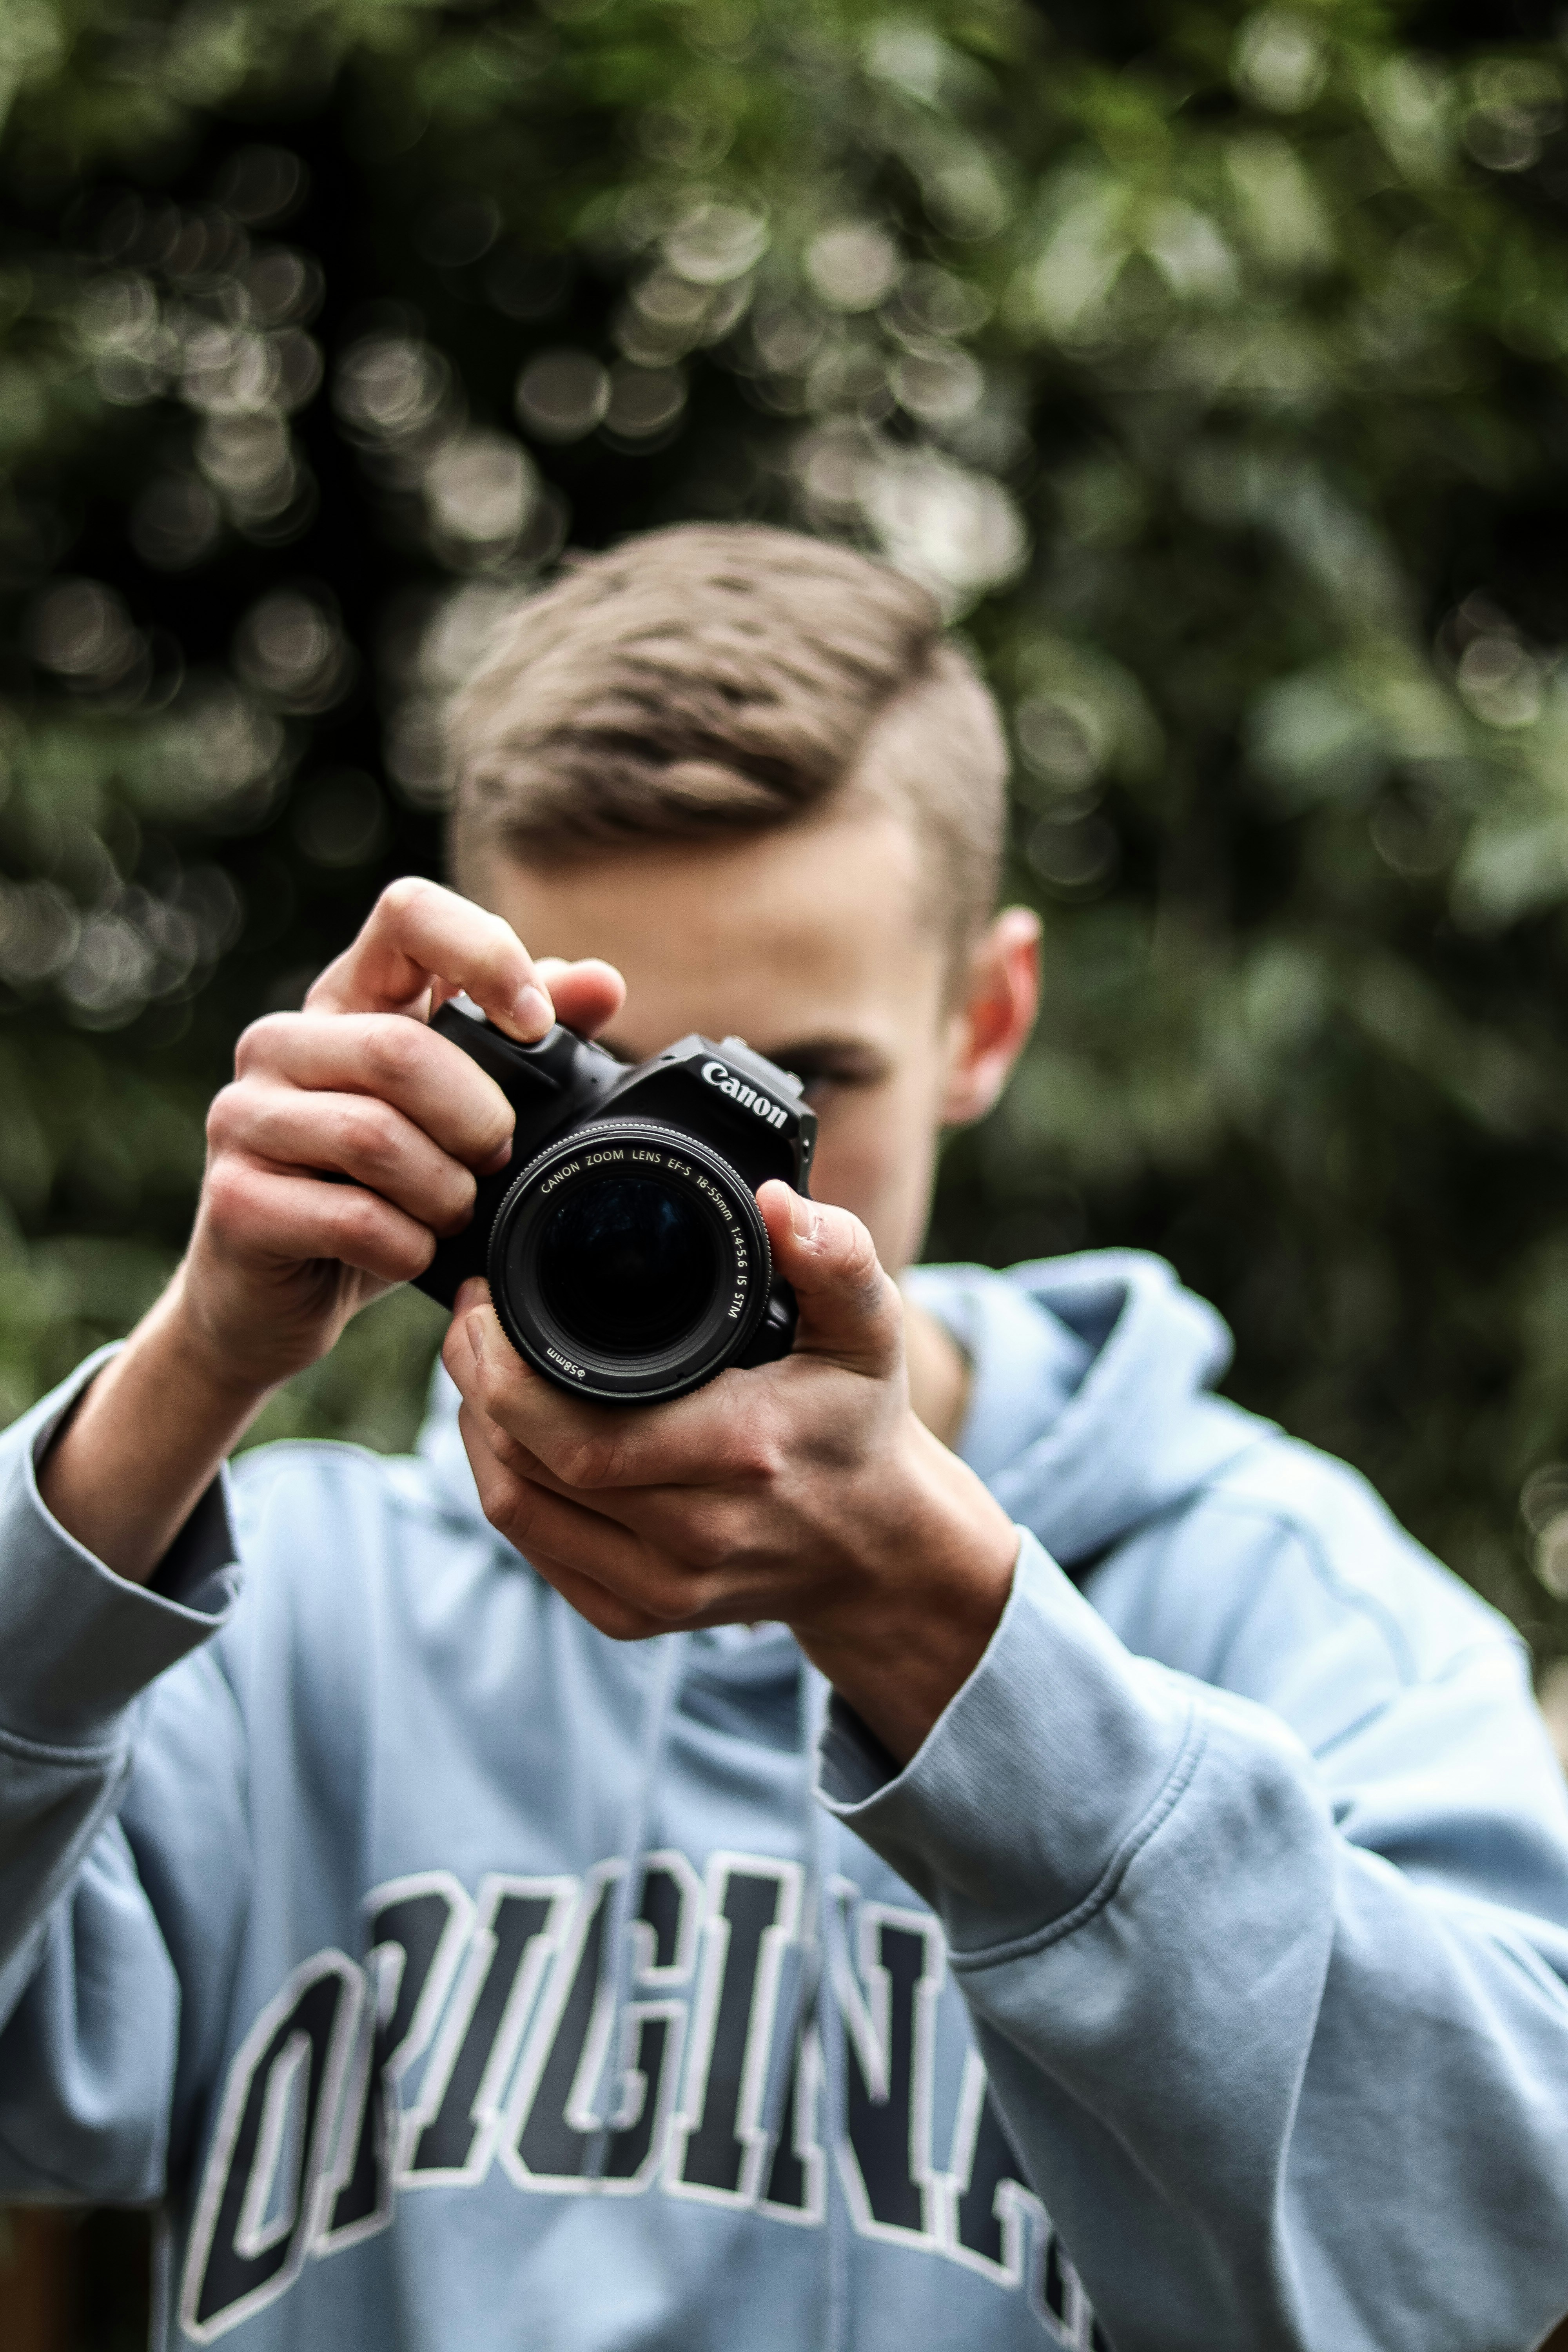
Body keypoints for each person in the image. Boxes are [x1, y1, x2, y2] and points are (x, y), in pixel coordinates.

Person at [2, 526, 1567, 2352]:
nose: (705, 1198)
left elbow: (1493, 2234)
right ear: (469, 1031)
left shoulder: (1273, 1598)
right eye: (619, 1101)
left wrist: (950, 1634)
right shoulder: (296, 1620)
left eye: (800, 1087)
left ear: (984, 1018)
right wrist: (188, 1371)